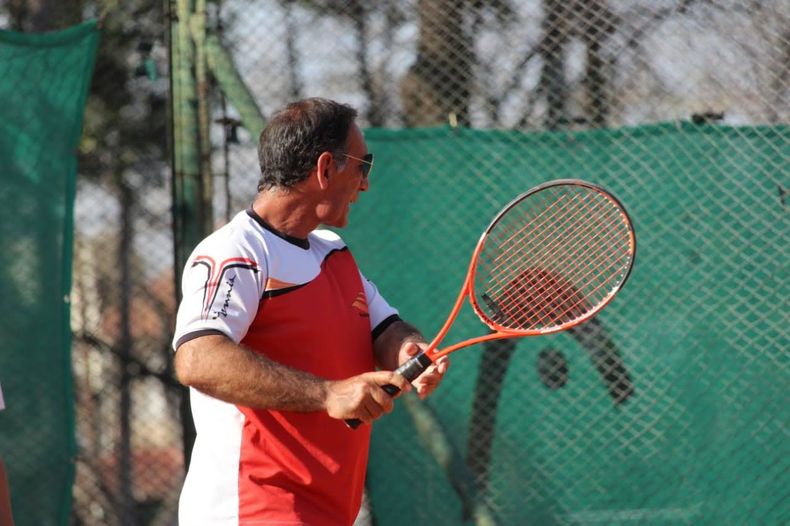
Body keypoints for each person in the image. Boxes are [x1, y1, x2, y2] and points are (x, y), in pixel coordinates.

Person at [173, 97, 449, 525]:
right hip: (252, 508)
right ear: (325, 169)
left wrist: (410, 350)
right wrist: (327, 393)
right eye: (363, 165)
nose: (365, 184)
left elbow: (386, 329)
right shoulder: (237, 251)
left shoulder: (334, 253)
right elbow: (198, 358)